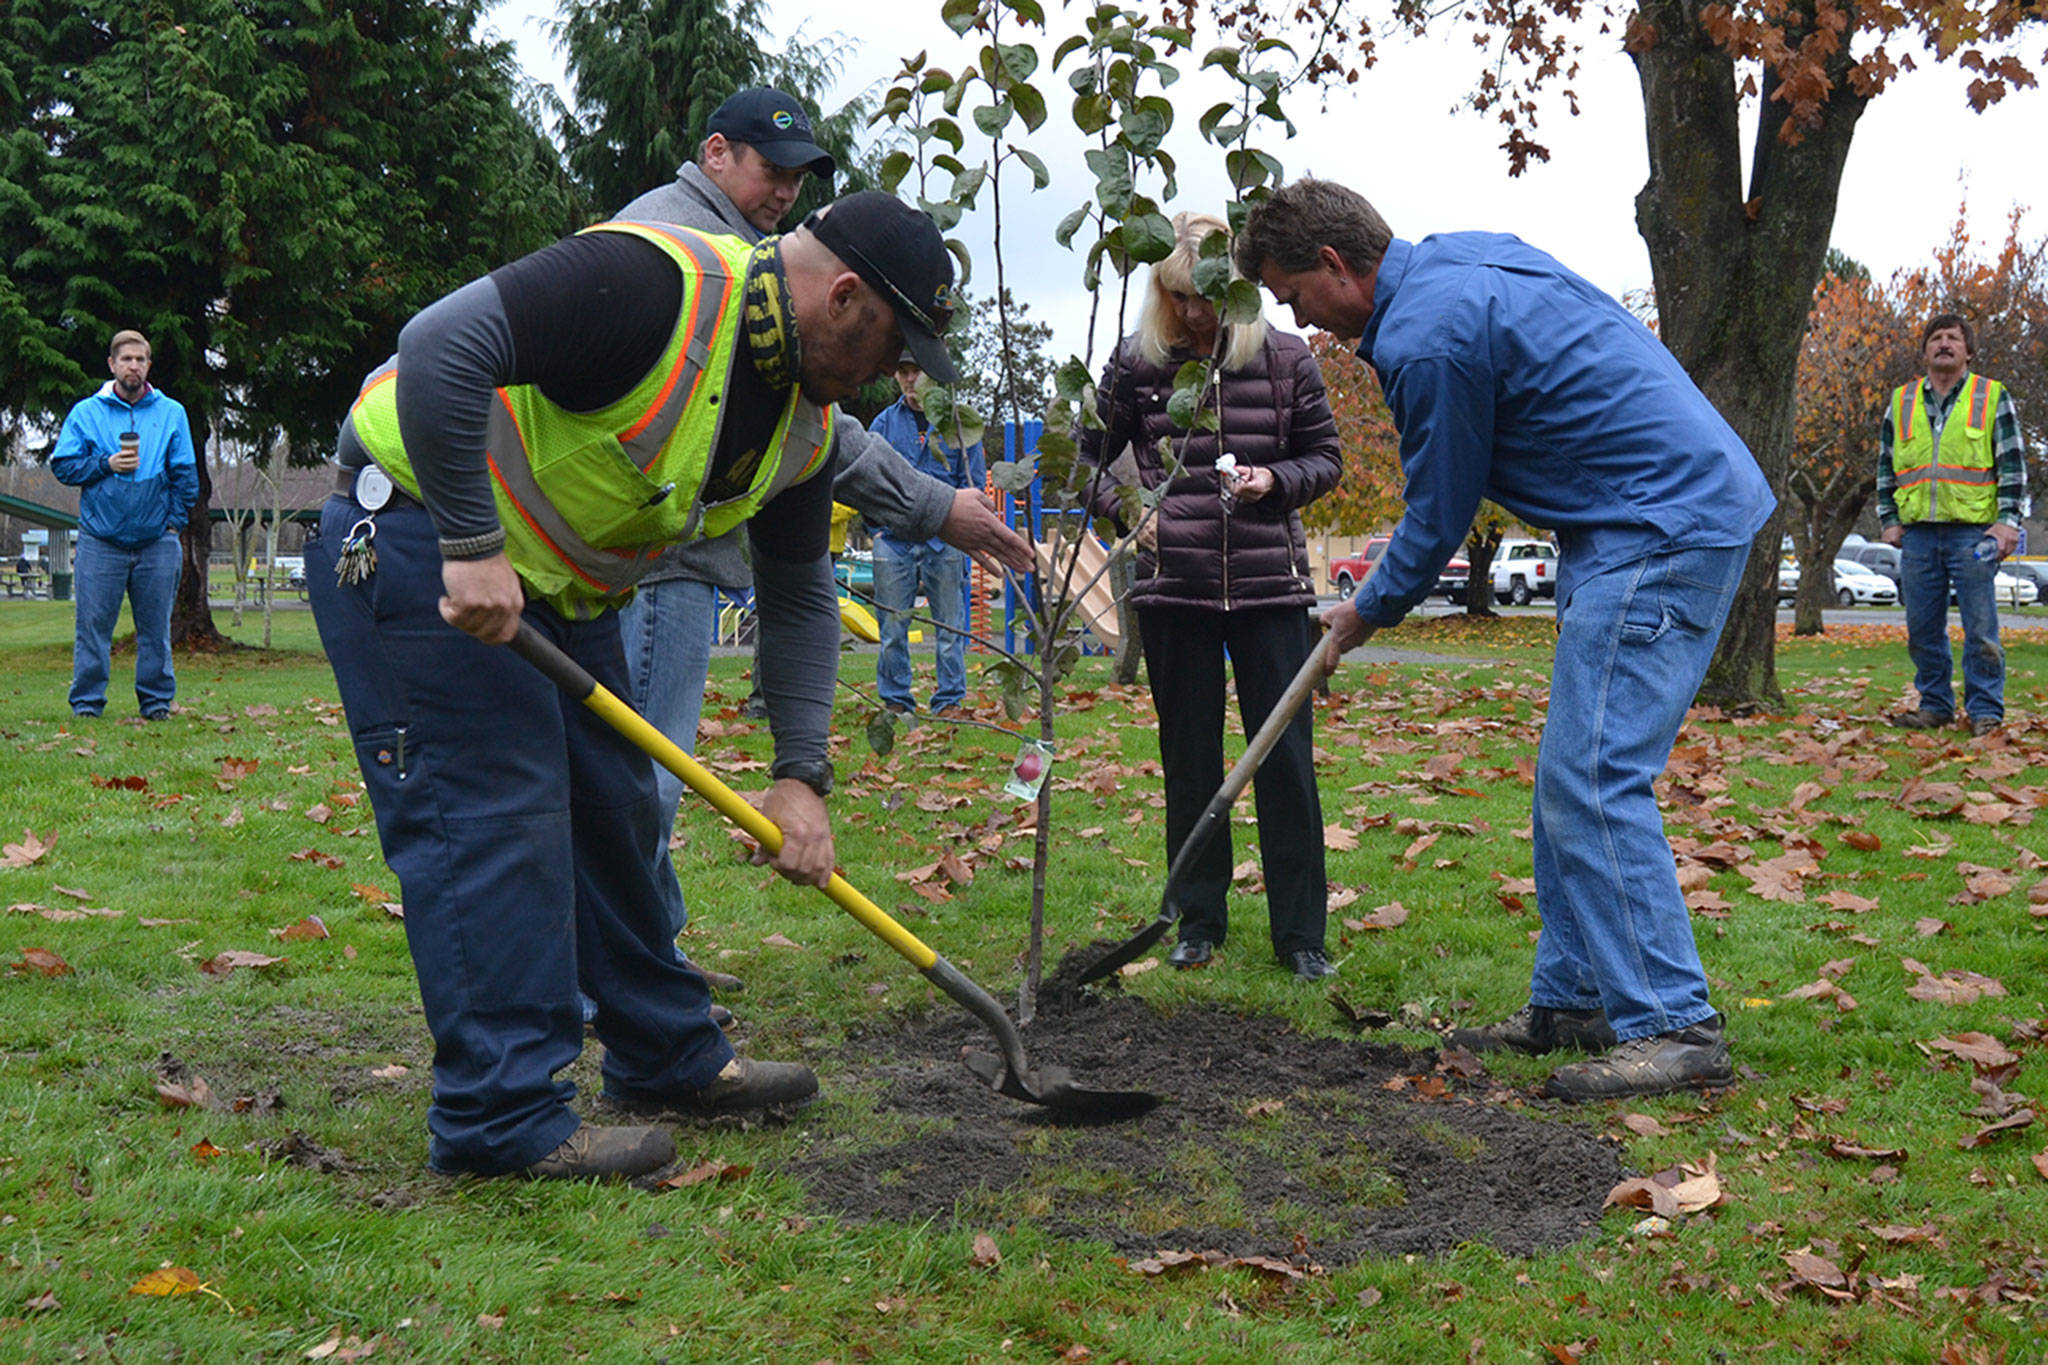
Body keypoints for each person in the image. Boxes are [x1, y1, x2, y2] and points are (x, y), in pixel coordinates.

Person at [308, 190, 958, 1181]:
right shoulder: (656, 286)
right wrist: (471, 545)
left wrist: (799, 775)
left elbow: (795, 599)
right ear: (844, 295)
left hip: (556, 594)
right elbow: (439, 343)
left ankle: (665, 1056)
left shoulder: (802, 427)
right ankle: (502, 1119)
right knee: (496, 819)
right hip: (414, 539)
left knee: (613, 815)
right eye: (894, 342)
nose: (894, 371)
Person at [1236, 179, 1775, 1100]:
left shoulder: (1425, 335)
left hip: (1657, 525)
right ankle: (1574, 1002)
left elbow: (1440, 509)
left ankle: (1675, 1024)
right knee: (1574, 774)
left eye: (1296, 299)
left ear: (1334, 265)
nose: (1309, 324)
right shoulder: (1456, 259)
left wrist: (1363, 611)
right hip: (1645, 517)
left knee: (1593, 777)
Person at [612, 88, 1032, 995]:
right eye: (773, 170)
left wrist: (802, 768)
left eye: (801, 180)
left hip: (660, 557)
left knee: (631, 785)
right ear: (716, 153)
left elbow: (802, 460)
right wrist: (929, 503)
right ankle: (623, 976)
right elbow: (818, 430)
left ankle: (645, 960)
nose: (784, 194)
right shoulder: (682, 240)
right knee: (633, 785)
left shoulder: (767, 260)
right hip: (646, 562)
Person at [1077, 212, 1343, 982]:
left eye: (1209, 297)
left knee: (1287, 763)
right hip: (1175, 591)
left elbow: (1326, 457)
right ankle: (1198, 920)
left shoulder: (1290, 359)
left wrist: (1275, 481)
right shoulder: (1136, 364)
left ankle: (1301, 936)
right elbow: (1087, 460)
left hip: (1271, 590)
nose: (1194, 313)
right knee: (1189, 760)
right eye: (1179, 296)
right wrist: (1131, 511)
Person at [1875, 313, 2027, 738]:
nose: (1944, 344)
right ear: (1924, 351)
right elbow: (1886, 468)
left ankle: (1985, 712)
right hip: (1918, 535)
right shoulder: (1901, 402)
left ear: (1968, 352)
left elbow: (2013, 467)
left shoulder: (1992, 396)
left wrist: (2007, 524)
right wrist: (1889, 520)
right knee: (1922, 630)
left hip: (1974, 535)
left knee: (1981, 629)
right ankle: (1936, 706)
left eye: (1953, 338)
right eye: (1936, 338)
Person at [51, 330, 198, 720]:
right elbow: (63, 465)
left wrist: (172, 524)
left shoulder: (172, 413)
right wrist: (105, 464)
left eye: (141, 359)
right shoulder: (86, 413)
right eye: (126, 359)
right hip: (101, 540)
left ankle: (156, 705)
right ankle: (86, 705)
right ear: (112, 365)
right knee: (92, 628)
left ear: (148, 366)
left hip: (157, 542)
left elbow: (185, 475)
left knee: (156, 631)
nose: (133, 365)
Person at [869, 352, 986, 716]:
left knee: (950, 628)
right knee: (891, 628)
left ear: (930, 374)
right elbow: (867, 479)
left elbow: (974, 483)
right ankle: (895, 700)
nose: (908, 379)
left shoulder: (957, 425)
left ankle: (949, 701)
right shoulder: (883, 424)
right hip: (894, 540)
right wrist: (875, 531)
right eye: (902, 371)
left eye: (915, 370)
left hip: (945, 542)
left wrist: (964, 533)